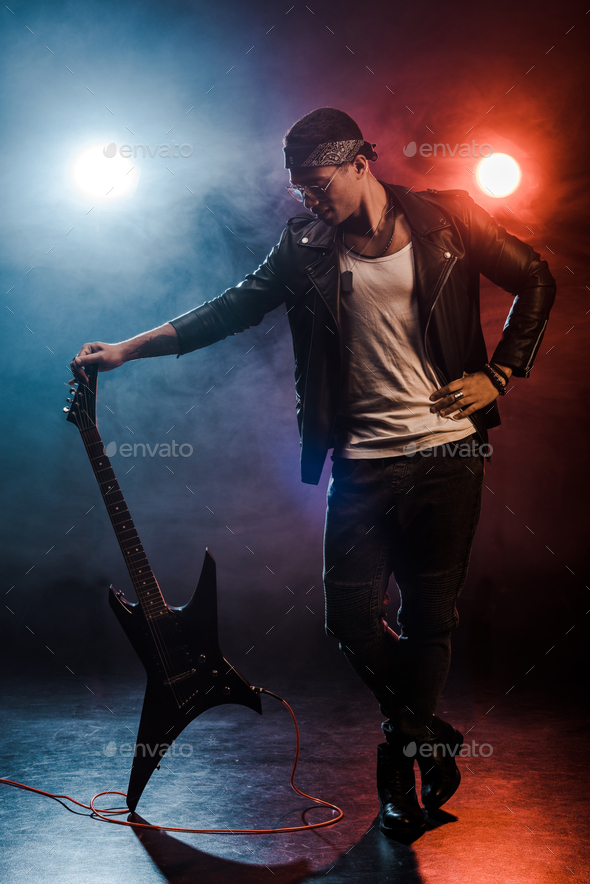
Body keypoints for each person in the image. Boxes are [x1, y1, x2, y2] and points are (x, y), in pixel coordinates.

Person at [71, 107, 556, 842]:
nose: (307, 198)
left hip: (448, 456)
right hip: (361, 463)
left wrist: (502, 374)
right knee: (350, 623)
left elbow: (538, 279)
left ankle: (398, 768)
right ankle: (428, 732)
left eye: (317, 182)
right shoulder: (303, 248)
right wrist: (125, 351)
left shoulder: (449, 221)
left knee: (431, 620)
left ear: (359, 162)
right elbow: (227, 311)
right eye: (298, 188)